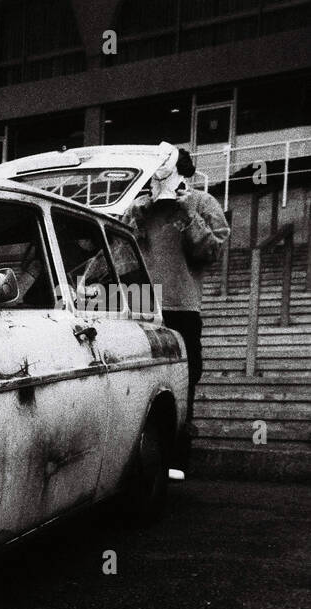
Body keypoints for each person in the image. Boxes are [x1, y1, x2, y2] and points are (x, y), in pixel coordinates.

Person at [124, 146, 230, 481]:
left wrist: (186, 213)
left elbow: (211, 251)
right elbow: (122, 256)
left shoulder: (202, 202)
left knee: (185, 377)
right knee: (136, 377)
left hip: (181, 303)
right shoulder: (141, 205)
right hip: (140, 300)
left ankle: (176, 458)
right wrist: (134, 219)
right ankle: (133, 455)